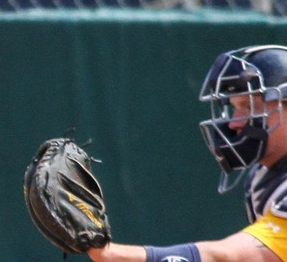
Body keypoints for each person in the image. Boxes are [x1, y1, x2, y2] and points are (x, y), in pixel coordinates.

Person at [89, 45, 287, 262]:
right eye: (235, 107)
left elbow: (229, 258)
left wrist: (110, 254)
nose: (235, 122)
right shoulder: (265, 176)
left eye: (252, 106)